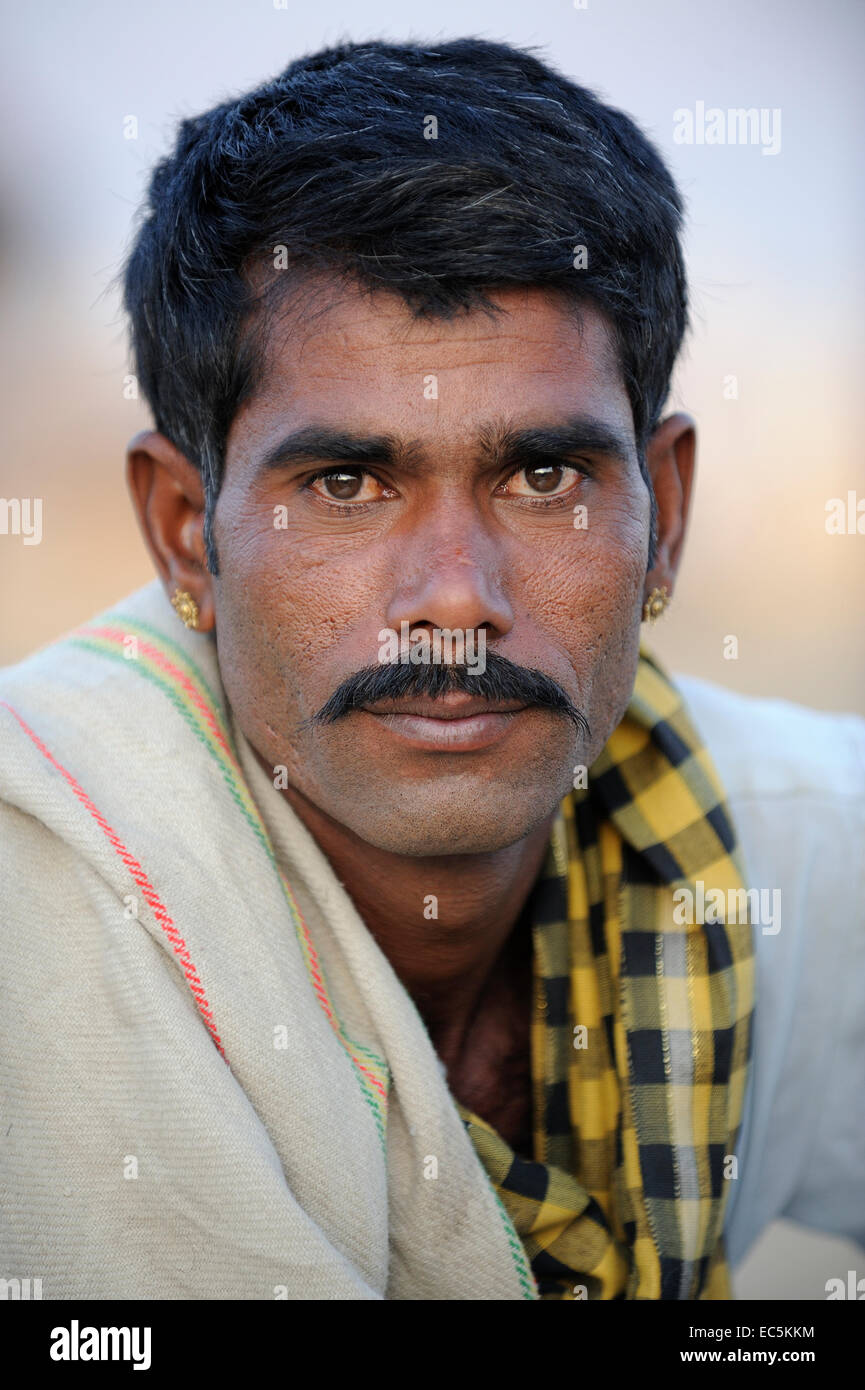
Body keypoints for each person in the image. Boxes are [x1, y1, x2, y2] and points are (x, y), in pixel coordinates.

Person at [0, 37, 862, 1302]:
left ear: (663, 514)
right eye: (345, 483)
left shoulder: (796, 847)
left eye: (543, 476)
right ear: (187, 529)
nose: (455, 594)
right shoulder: (42, 891)